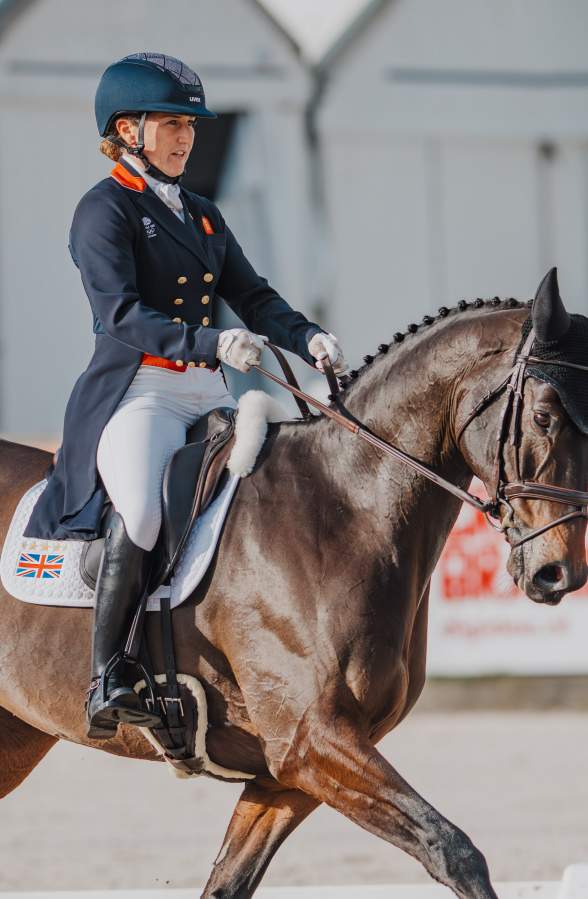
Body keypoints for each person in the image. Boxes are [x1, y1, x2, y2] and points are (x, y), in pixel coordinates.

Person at [23, 52, 346, 739]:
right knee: (141, 513)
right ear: (126, 129)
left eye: (190, 125)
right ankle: (107, 675)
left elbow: (252, 296)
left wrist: (308, 336)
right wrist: (207, 343)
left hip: (208, 391)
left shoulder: (201, 213)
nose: (185, 136)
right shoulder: (102, 209)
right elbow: (119, 314)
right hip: (139, 392)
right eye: (170, 123)